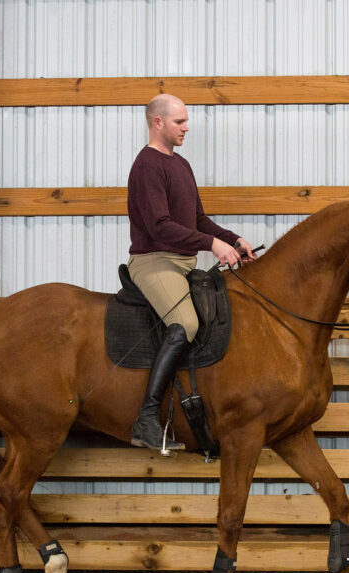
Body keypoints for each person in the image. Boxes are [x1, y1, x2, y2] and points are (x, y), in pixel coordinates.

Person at [126, 93, 257, 452]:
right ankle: (147, 419)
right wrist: (212, 245)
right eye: (179, 121)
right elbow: (160, 227)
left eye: (186, 121)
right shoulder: (147, 166)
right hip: (155, 261)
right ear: (158, 123)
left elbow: (197, 220)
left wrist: (234, 240)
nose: (187, 127)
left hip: (183, 262)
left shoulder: (180, 165)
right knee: (186, 323)